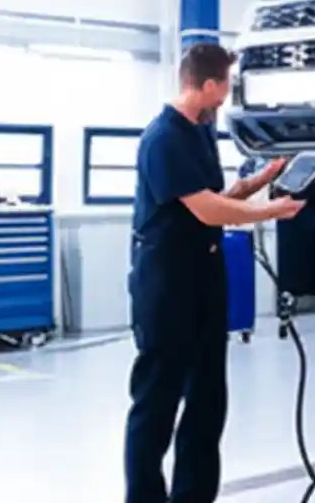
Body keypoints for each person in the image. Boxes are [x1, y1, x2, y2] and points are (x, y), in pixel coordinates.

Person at [124, 42, 305, 503]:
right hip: (166, 284)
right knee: (157, 402)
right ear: (207, 85)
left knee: (208, 401)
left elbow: (216, 195)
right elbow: (205, 209)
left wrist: (261, 180)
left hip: (204, 279)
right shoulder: (163, 137)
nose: (227, 96)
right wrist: (270, 212)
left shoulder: (200, 131)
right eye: (225, 85)